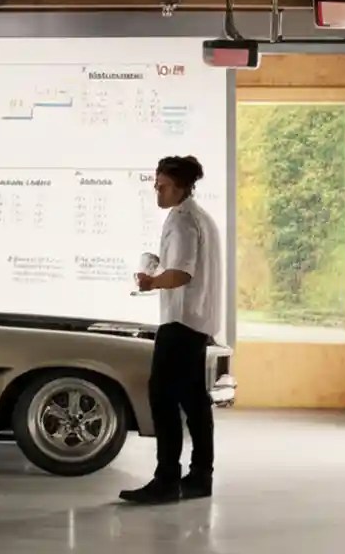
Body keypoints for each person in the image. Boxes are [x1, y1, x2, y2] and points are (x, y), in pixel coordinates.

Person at [119, 155, 222, 505]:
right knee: (194, 401)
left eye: (162, 186)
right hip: (198, 321)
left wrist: (150, 282)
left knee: (162, 398)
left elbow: (181, 274)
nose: (156, 191)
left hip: (180, 322)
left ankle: (166, 479)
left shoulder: (182, 220)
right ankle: (200, 476)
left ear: (180, 187)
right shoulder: (201, 217)